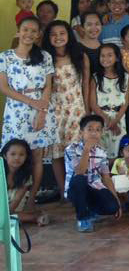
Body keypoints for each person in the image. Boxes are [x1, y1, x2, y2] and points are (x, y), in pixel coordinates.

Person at [1, 16, 56, 208]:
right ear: (18, 31)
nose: (29, 34)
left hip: (40, 109)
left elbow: (48, 87)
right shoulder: (5, 57)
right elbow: (4, 88)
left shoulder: (45, 57)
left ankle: (32, 199)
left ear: (39, 35)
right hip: (15, 111)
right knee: (12, 155)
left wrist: (42, 112)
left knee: (36, 157)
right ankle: (9, 202)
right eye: (25, 29)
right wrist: (31, 102)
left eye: (34, 31)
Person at [42, 19, 89, 197]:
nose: (58, 37)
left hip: (77, 111)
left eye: (62, 33)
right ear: (48, 37)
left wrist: (87, 111)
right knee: (57, 154)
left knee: (77, 151)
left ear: (69, 35)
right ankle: (64, 191)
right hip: (55, 112)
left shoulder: (79, 55)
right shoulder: (45, 58)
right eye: (53, 34)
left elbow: (86, 85)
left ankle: (80, 189)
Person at [64, 114, 121, 232]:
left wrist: (117, 200)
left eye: (98, 130)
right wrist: (86, 150)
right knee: (79, 180)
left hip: (94, 187)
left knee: (112, 207)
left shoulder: (102, 152)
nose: (94, 133)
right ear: (81, 133)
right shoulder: (71, 149)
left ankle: (90, 211)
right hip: (76, 188)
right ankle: (82, 218)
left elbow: (106, 177)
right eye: (90, 129)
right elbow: (80, 172)